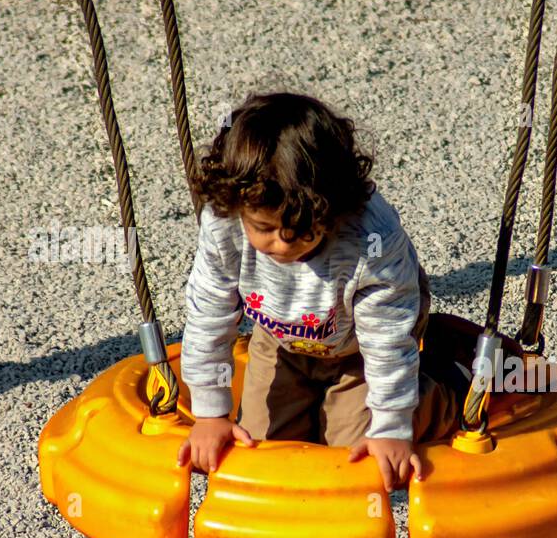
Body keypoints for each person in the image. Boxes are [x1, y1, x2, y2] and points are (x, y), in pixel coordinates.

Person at [174, 91, 465, 490]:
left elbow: (385, 338)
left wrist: (392, 426)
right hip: (279, 336)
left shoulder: (371, 238)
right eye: (264, 229)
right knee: (259, 448)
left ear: (333, 207)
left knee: (349, 456)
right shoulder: (225, 221)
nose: (282, 245)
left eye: (303, 232)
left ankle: (442, 389)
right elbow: (209, 312)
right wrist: (210, 413)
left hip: (361, 344)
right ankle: (313, 392)